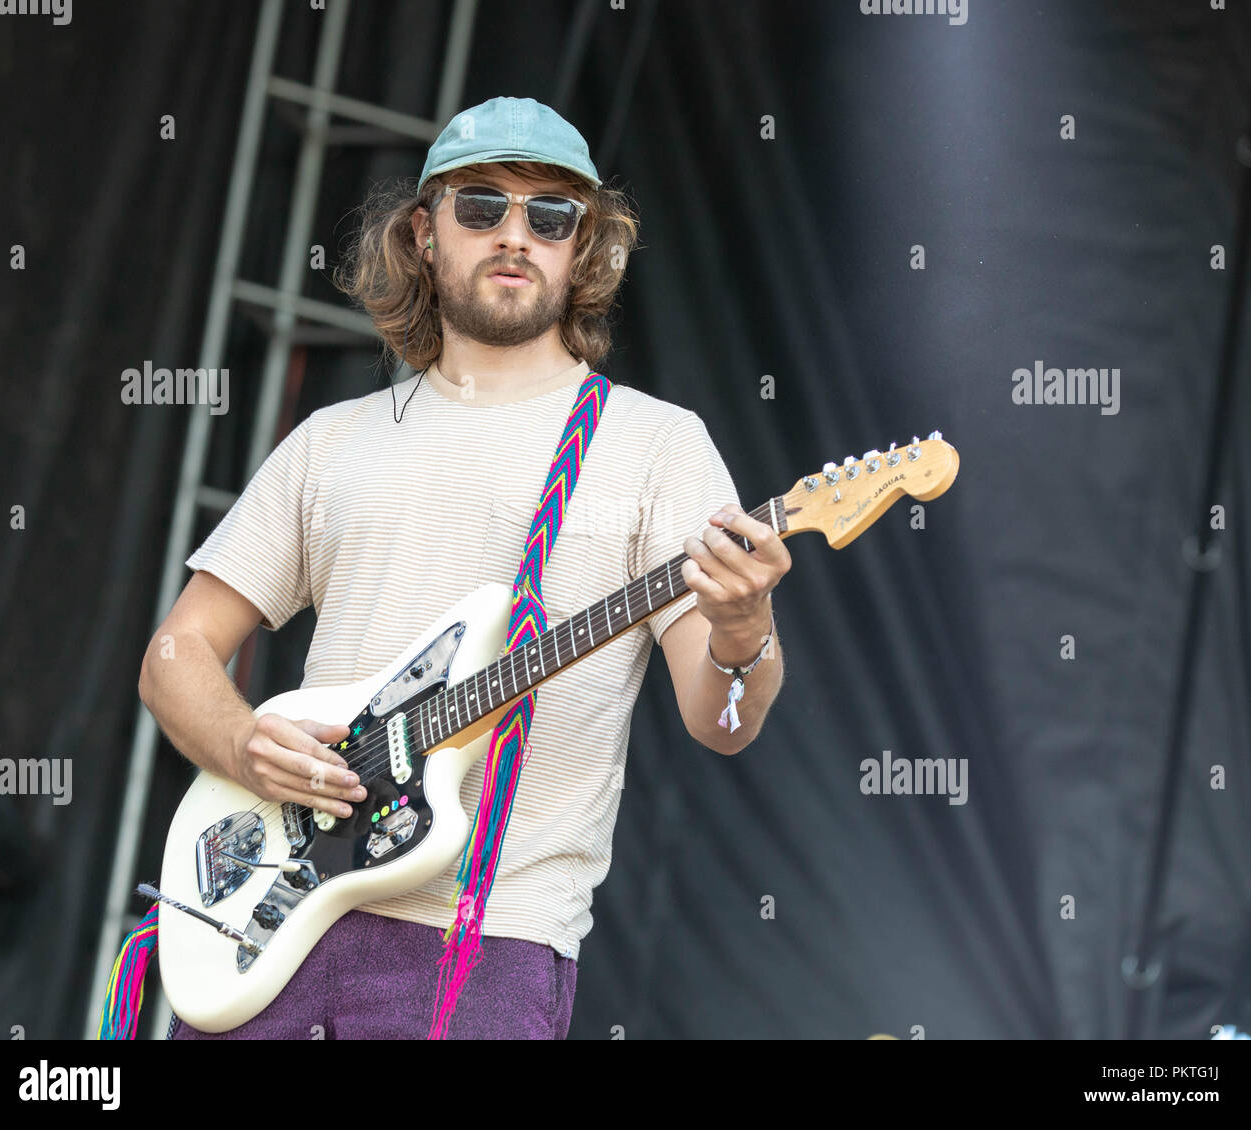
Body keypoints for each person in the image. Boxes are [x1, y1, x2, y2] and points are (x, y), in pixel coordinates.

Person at [143, 96, 789, 1040]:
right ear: (424, 231)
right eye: (481, 206)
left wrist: (742, 632)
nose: (515, 234)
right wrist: (243, 745)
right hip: (269, 931)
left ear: (586, 245)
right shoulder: (332, 445)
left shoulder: (656, 447)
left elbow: (723, 722)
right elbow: (174, 656)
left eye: (550, 214)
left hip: (487, 953)